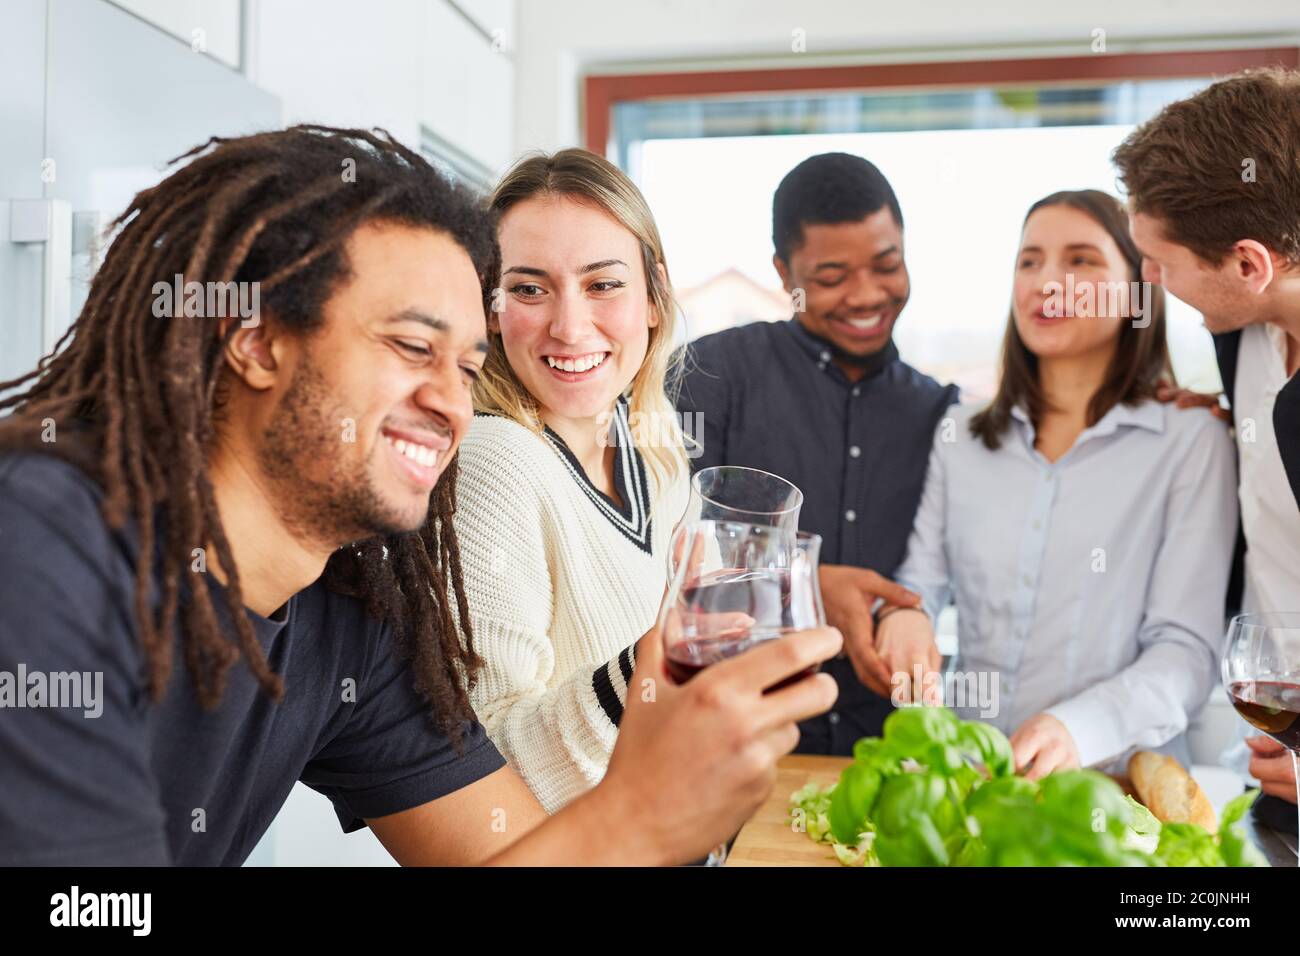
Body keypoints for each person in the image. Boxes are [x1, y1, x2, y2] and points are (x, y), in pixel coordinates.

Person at [0, 125, 842, 866]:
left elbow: (500, 854)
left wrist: (650, 811)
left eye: (470, 365)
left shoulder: (347, 618)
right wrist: (638, 803)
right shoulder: (39, 544)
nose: (452, 403)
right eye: (412, 345)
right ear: (255, 341)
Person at [875, 189, 1237, 777]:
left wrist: (1079, 727)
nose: (1048, 280)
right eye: (1029, 261)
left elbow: (1186, 652)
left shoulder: (1191, 442)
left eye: (1080, 260)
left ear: (1138, 290)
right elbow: (920, 584)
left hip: (1114, 795)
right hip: (967, 784)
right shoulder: (960, 435)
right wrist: (904, 617)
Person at [677, 153, 956, 753]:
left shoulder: (938, 413)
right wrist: (799, 584)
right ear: (784, 273)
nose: (866, 295)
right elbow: (662, 553)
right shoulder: (709, 375)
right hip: (734, 745)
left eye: (888, 265)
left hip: (883, 756)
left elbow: (936, 570)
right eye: (831, 278)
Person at [452, 149, 691, 812]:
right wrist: (650, 664)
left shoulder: (652, 441)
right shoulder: (495, 460)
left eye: (603, 284)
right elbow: (484, 764)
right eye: (529, 289)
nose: (569, 326)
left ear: (654, 296)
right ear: (492, 309)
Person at [1114, 66, 1300, 823]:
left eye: (1162, 261)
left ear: (1249, 265)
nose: (1150, 279)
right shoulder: (1242, 338)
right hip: (1277, 750)